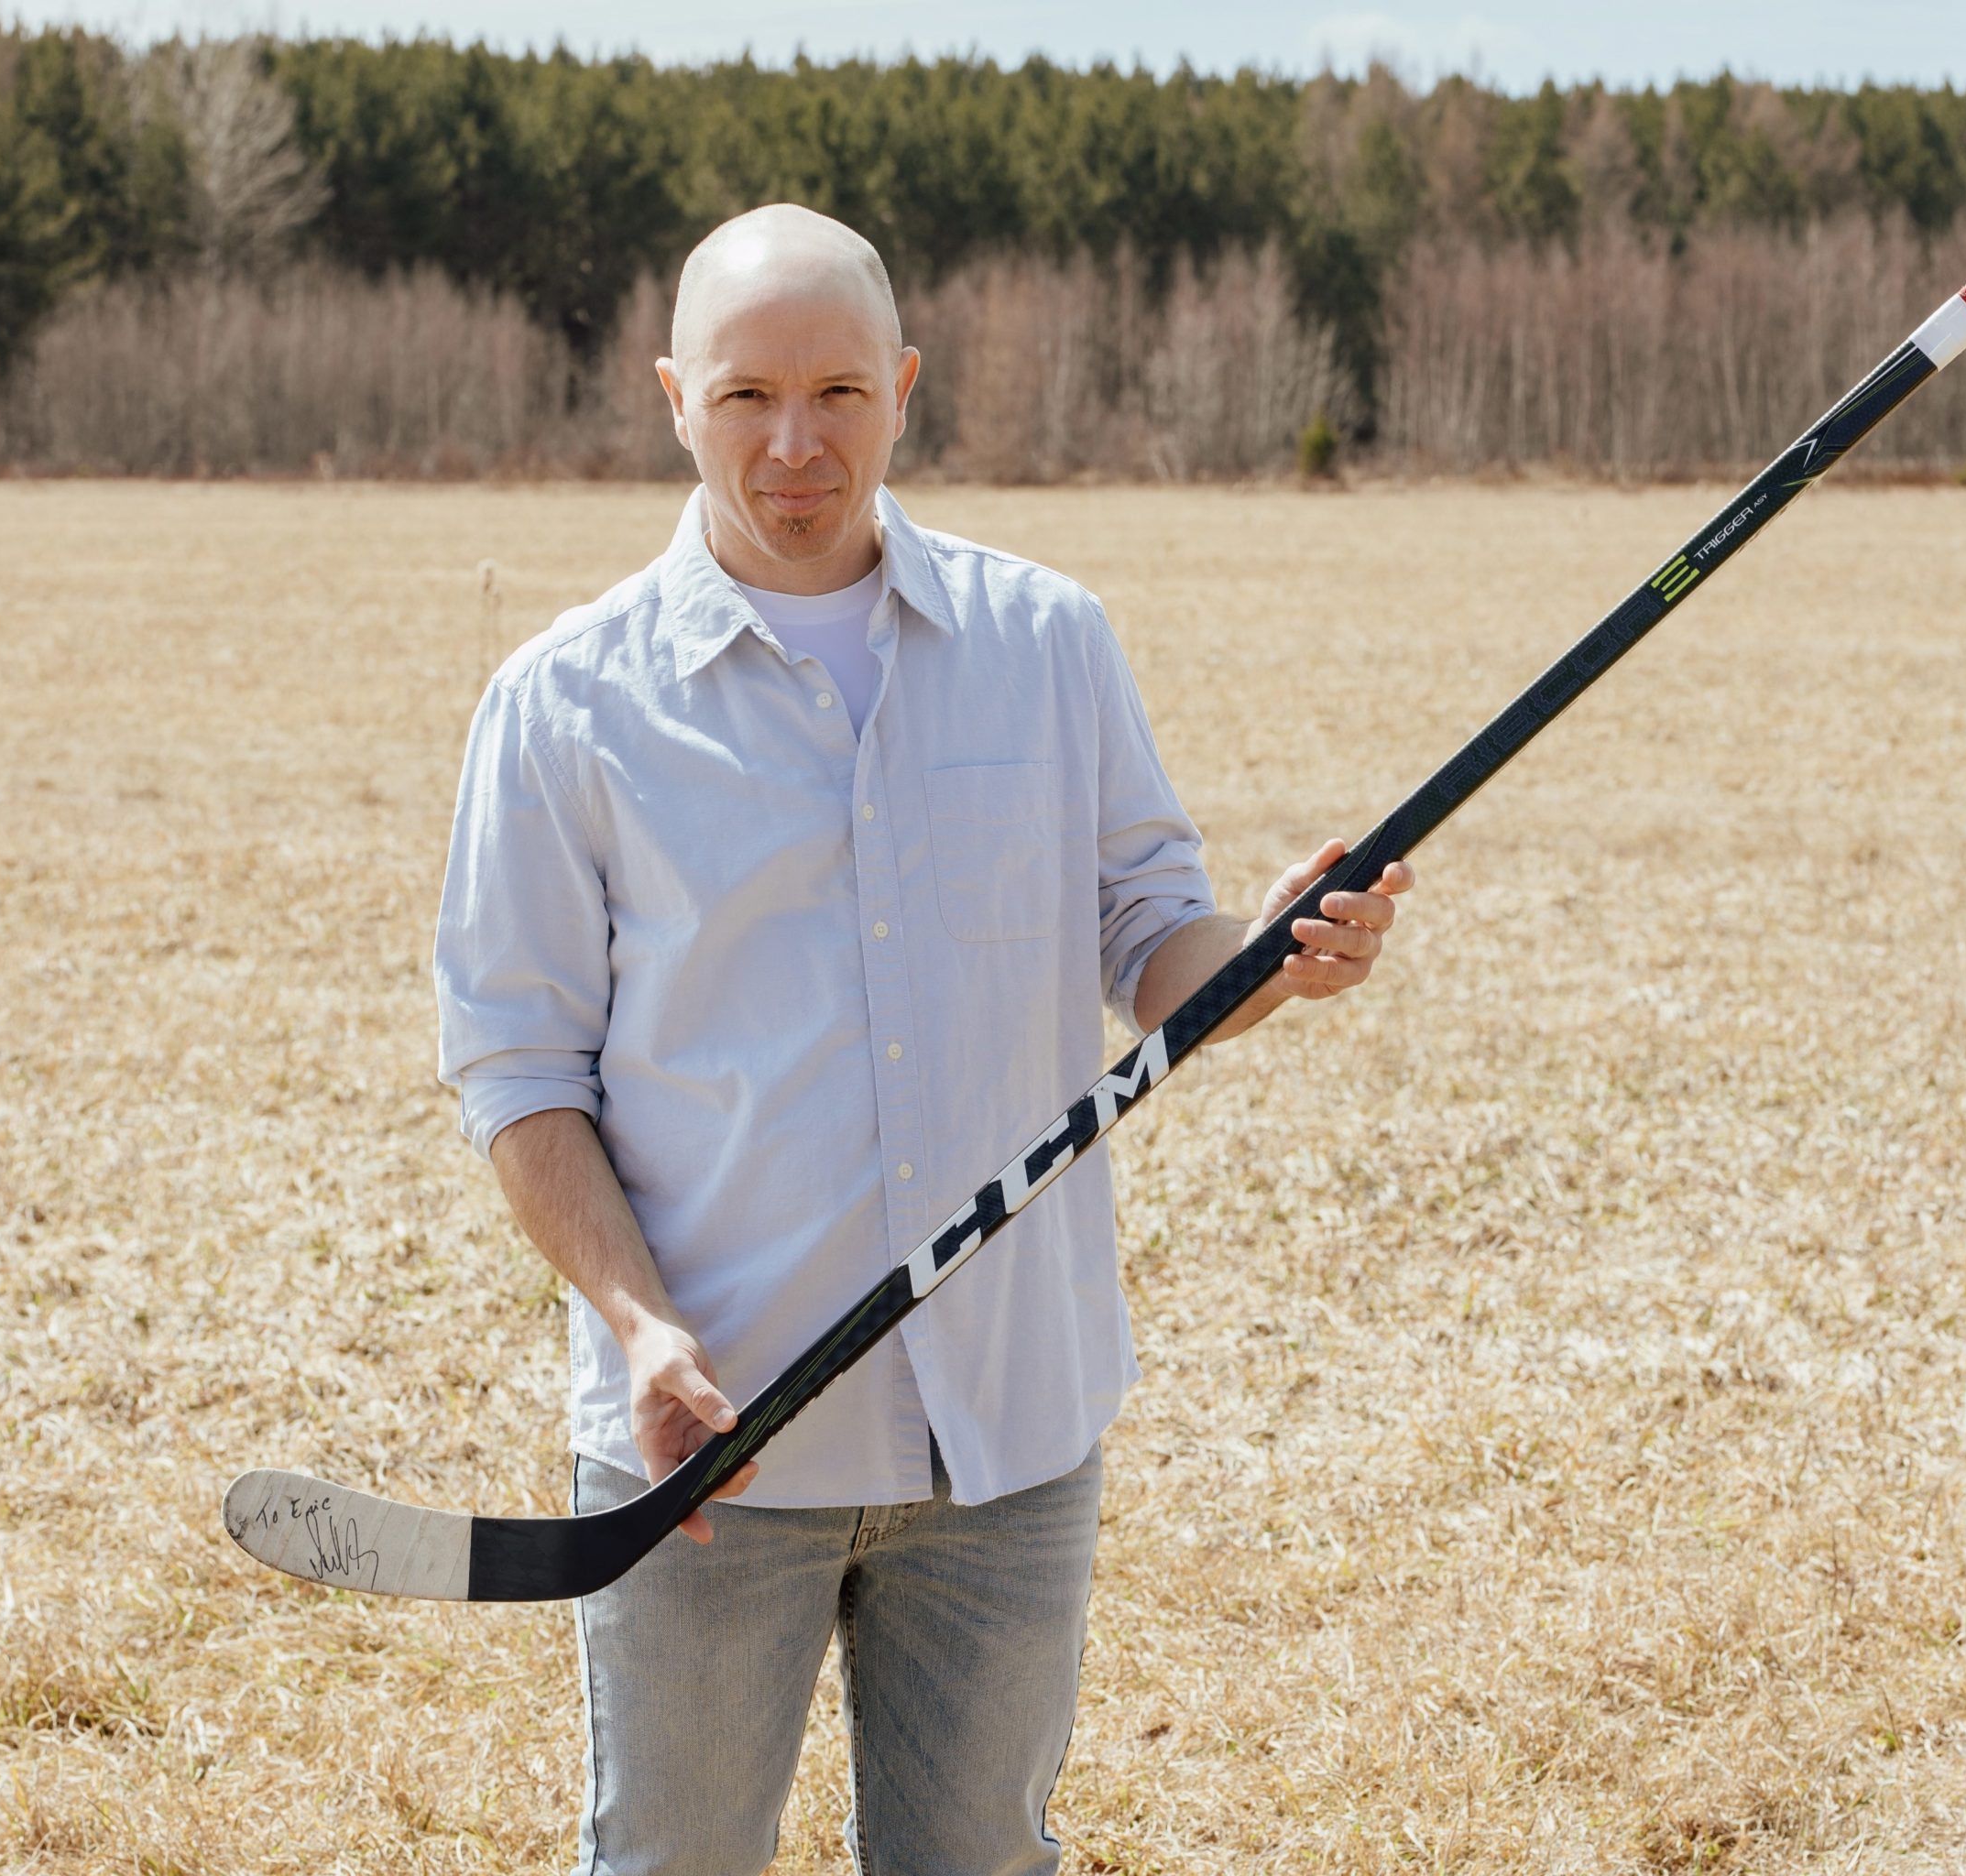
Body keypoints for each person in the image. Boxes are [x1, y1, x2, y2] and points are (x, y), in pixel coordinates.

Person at [433, 203, 1413, 1876]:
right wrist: (640, 1329)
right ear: (674, 395)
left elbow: (1152, 947)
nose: (795, 445)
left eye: (837, 391)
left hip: (1009, 1438)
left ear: (905, 386)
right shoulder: (564, 705)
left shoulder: (1047, 644)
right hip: (712, 1457)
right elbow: (521, 1075)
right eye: (746, 397)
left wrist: (1268, 957)